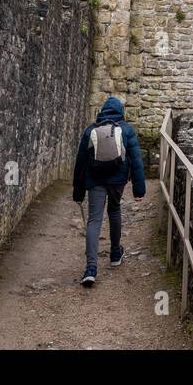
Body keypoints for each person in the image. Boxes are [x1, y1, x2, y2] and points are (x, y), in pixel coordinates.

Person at [72, 96, 146, 286]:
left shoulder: (90, 130)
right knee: (114, 211)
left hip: (94, 180)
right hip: (118, 179)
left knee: (94, 220)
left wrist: (78, 192)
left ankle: (90, 268)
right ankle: (115, 253)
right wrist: (139, 190)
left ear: (102, 111)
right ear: (121, 112)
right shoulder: (127, 130)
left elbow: (80, 164)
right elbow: (136, 161)